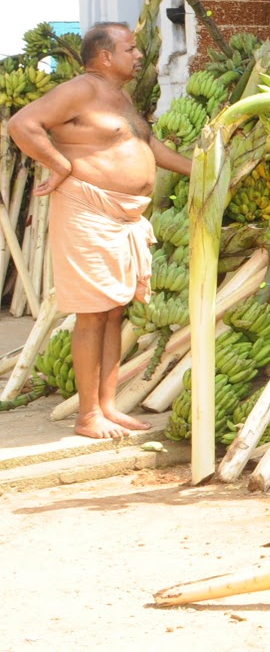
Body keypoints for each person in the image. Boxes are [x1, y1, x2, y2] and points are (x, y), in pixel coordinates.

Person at [9, 22, 192, 439]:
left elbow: (150, 147)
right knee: (92, 314)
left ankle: (107, 406)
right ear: (105, 56)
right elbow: (23, 124)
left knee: (113, 312)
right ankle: (87, 415)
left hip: (123, 216)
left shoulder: (119, 96)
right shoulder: (81, 90)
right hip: (87, 209)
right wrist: (62, 165)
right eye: (130, 48)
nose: (139, 54)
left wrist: (203, 169)